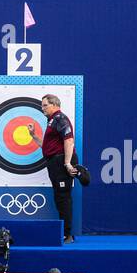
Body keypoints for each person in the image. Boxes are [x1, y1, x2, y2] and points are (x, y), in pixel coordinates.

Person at [26, 94, 90, 243]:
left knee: (63, 197)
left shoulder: (60, 118)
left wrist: (67, 163)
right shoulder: (51, 121)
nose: (42, 108)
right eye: (42, 106)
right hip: (55, 162)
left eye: (44, 105)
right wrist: (33, 135)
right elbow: (47, 146)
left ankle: (68, 235)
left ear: (54, 104)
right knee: (59, 197)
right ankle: (64, 232)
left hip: (61, 161)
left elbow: (69, 140)